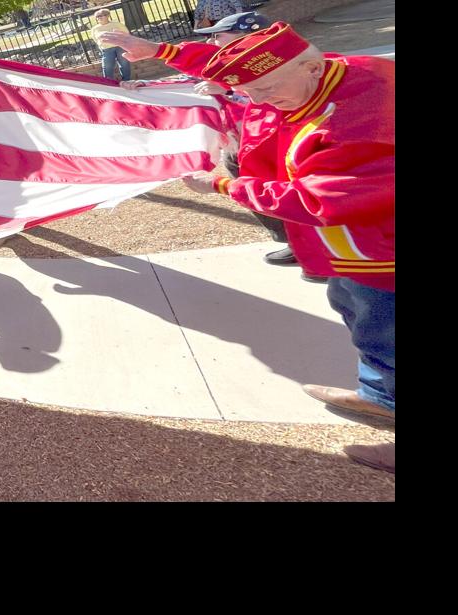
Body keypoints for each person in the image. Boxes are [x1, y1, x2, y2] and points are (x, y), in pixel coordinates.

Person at [175, 24, 395, 462]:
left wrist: (225, 185)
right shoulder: (328, 76)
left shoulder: (363, 119)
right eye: (247, 92)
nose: (257, 101)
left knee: (384, 328)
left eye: (265, 89)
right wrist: (164, 53)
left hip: (381, 249)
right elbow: (242, 68)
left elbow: (318, 199)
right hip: (358, 247)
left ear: (312, 68)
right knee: (358, 312)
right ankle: (381, 396)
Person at [105, 12, 301, 273]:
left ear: (245, 36)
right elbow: (191, 81)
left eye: (218, 36)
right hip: (240, 143)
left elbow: (282, 99)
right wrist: (146, 84)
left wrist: (231, 89)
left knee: (278, 191)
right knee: (251, 192)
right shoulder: (223, 66)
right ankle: (291, 240)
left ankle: (305, 243)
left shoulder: (277, 63)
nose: (211, 42)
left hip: (273, 143)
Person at [89, 8, 132, 82]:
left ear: (107, 15)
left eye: (101, 16)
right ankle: (108, 82)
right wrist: (101, 45)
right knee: (107, 66)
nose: (99, 18)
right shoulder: (94, 29)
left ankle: (126, 80)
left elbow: (126, 33)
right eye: (97, 16)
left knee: (124, 64)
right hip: (106, 49)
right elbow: (95, 39)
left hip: (120, 47)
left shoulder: (117, 24)